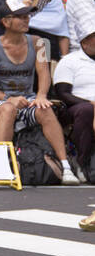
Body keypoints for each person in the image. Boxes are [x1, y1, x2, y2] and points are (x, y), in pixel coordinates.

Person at [0, 0, 79, 184]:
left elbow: (44, 73)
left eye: (27, 16)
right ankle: (0, 164)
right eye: (21, 16)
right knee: (8, 110)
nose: (27, 19)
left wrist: (42, 95)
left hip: (28, 98)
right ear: (6, 21)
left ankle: (65, 166)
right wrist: (8, 98)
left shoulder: (40, 42)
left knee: (45, 110)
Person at [54, 28, 95, 181]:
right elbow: (62, 93)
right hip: (76, 107)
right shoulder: (70, 61)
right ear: (84, 42)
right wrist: (90, 102)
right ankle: (81, 162)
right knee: (87, 110)